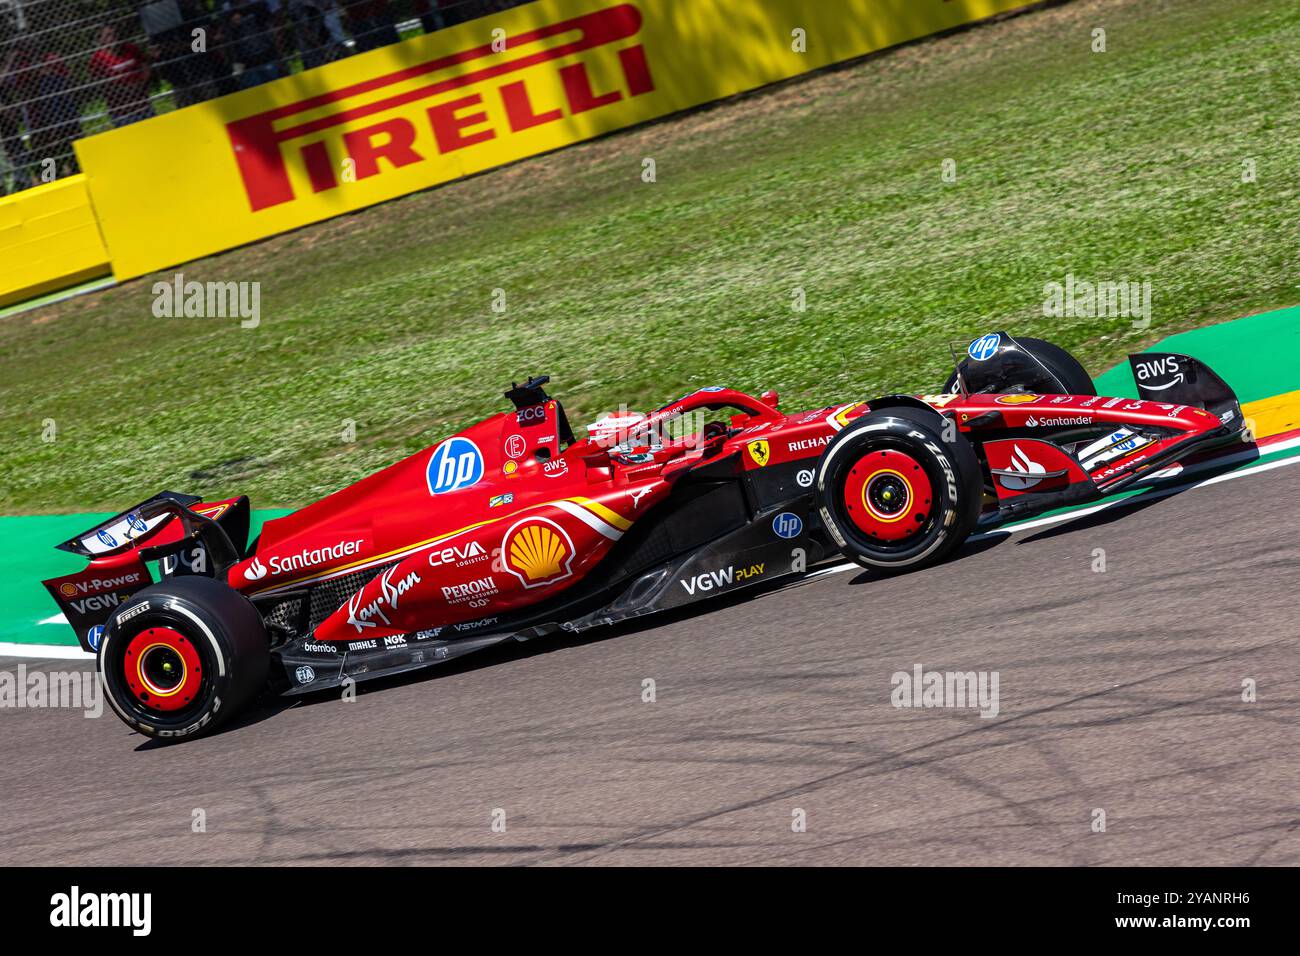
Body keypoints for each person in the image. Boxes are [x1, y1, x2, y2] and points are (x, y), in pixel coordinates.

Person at [87, 24, 153, 127]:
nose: (113, 37)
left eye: (114, 34)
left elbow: (145, 66)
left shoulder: (130, 48)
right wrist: (123, 90)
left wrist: (141, 83)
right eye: (108, 35)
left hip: (143, 104)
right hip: (121, 111)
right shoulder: (97, 59)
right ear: (101, 40)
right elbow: (101, 84)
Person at [224, 0, 285, 89]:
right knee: (255, 88)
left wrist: (279, 54)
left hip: (266, 54)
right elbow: (230, 43)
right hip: (246, 62)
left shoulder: (257, 5)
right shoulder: (226, 11)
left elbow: (270, 26)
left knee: (277, 85)